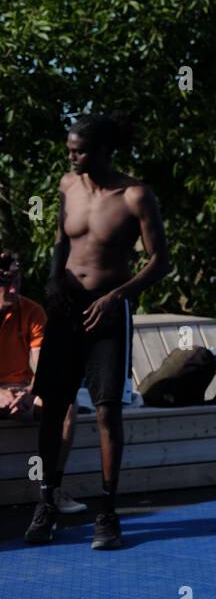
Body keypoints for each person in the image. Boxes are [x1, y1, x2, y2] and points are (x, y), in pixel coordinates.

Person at [24, 115, 170, 549]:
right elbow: (60, 240)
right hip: (64, 309)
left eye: (80, 150)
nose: (72, 156)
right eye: (70, 149)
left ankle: (108, 510)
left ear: (105, 151)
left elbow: (160, 262)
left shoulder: (135, 195)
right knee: (52, 406)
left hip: (107, 311)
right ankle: (46, 501)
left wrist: (116, 297)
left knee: (107, 411)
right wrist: (53, 279)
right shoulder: (68, 184)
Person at [0, 250, 85, 512]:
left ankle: (52, 489)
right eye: (5, 282)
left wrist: (30, 391)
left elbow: (44, 367)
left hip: (23, 391)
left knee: (67, 404)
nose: (13, 288)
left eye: (17, 280)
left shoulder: (32, 311)